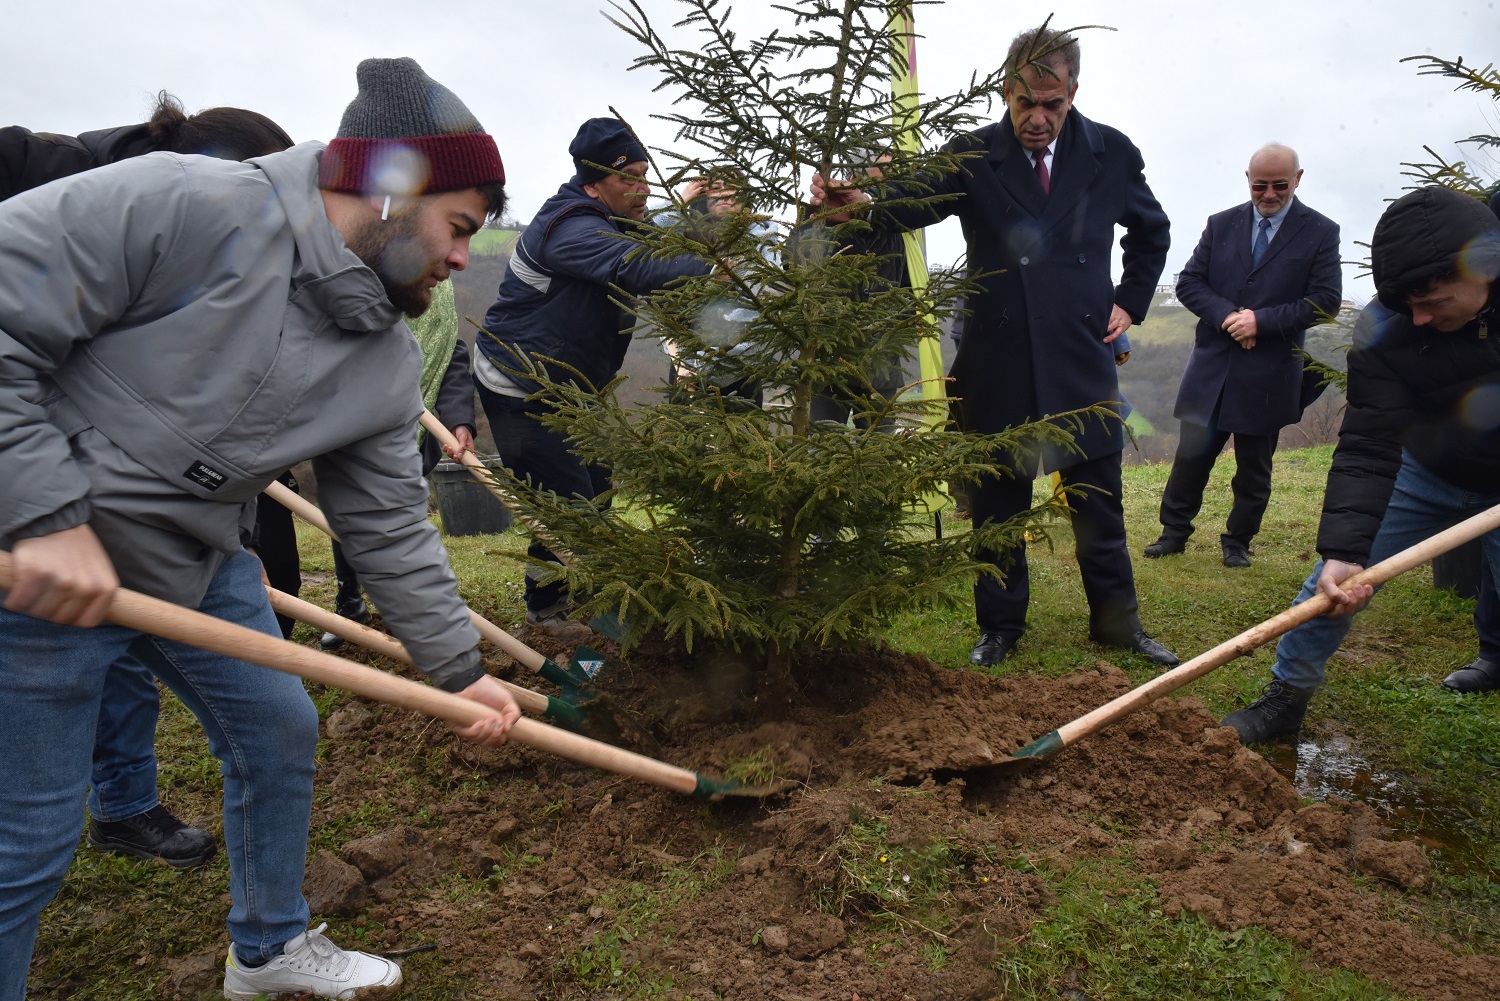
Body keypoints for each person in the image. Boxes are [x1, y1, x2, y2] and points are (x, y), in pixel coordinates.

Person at [0, 57, 521, 1000]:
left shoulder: (383, 360)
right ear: (389, 186)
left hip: (193, 559)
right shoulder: (183, 205)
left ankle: (269, 948)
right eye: (458, 229)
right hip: (32, 561)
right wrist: (42, 515)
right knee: (25, 839)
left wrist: (461, 669)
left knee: (278, 728)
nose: (460, 261)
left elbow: (391, 527)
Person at [812, 24, 1178, 669]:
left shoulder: (1111, 152)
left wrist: (1130, 301)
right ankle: (1001, 627)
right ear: (1005, 89)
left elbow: (1151, 232)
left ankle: (1117, 625)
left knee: (1098, 504)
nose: (1037, 118)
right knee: (997, 503)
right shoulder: (973, 153)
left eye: (1052, 105)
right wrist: (862, 203)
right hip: (997, 358)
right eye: (1023, 102)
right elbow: (910, 203)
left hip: (1080, 356)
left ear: (1073, 93)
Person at [1, 93, 296, 872]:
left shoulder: (223, 261)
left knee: (262, 714)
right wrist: (46, 516)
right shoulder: (50, 176)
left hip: (134, 521)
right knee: (29, 829)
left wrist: (229, 538)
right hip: (32, 504)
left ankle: (128, 806)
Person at [1221, 185, 1500, 744]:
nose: (1418, 318)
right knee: (1333, 588)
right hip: (1424, 470)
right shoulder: (1389, 329)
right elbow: (1369, 446)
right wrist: (1344, 552)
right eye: (1406, 304)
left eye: (1433, 301)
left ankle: (1495, 657)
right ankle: (1285, 698)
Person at [473, 117, 710, 640]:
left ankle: (559, 594)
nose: (643, 188)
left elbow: (656, 242)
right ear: (594, 182)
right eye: (630, 178)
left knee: (596, 490)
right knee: (568, 503)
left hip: (572, 385)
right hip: (521, 383)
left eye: (647, 174)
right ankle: (550, 611)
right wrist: (720, 265)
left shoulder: (609, 215)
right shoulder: (570, 229)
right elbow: (637, 266)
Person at [1144, 144, 1341, 569]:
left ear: (1299, 179)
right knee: (1190, 459)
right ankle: (1173, 533)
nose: (1268, 195)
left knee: (1254, 468)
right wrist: (1231, 317)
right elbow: (1190, 283)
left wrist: (1261, 322)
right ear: (1247, 180)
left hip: (1269, 373)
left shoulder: (1321, 231)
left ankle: (1238, 542)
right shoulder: (1221, 224)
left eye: (1279, 186)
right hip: (1213, 366)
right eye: (1259, 186)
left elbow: (1326, 302)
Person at [319, 277, 479, 651]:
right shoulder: (371, 274)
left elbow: (450, 350)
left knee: (401, 515)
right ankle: (349, 602)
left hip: (416, 433)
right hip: (357, 419)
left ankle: (407, 610)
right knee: (351, 510)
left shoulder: (442, 286)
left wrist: (458, 420)